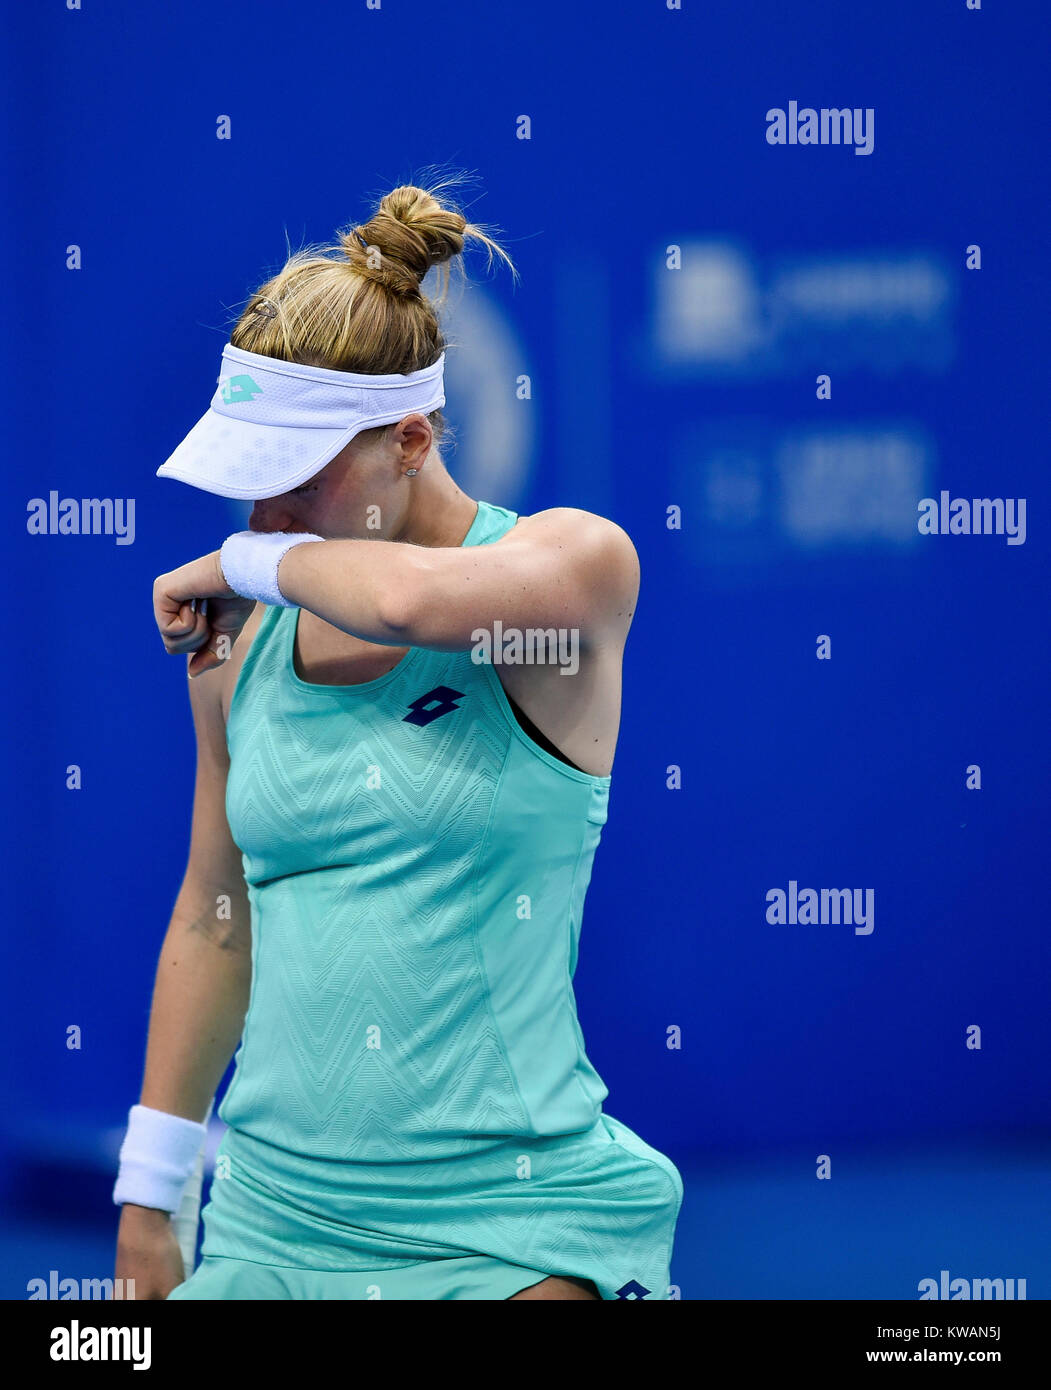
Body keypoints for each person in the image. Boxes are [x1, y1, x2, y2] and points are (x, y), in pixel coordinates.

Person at [114, 179, 683, 1300]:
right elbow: (212, 917)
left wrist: (237, 565)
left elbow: (417, 607)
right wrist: (151, 1195)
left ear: (411, 439)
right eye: (246, 488)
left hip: (519, 1226)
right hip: (273, 1224)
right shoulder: (237, 646)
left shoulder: (575, 570)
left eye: (291, 482)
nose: (261, 518)